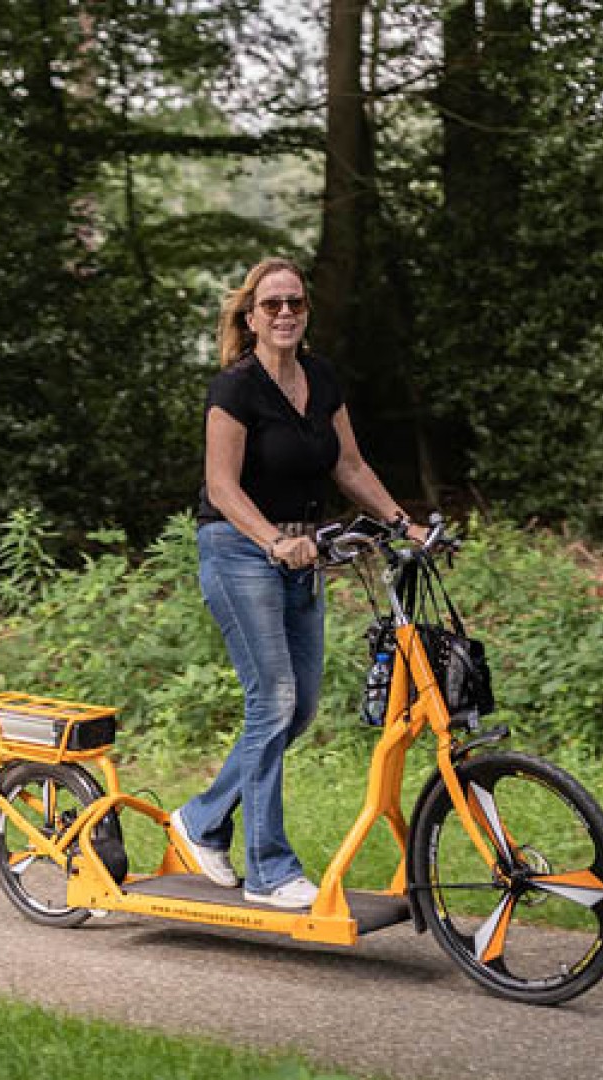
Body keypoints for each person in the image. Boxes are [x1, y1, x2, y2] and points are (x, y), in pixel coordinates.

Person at [175, 257, 428, 910]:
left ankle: (203, 819)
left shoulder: (320, 377)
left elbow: (348, 464)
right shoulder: (234, 388)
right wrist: (272, 541)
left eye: (295, 303)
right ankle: (268, 869)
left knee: (301, 706)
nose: (284, 313)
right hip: (239, 550)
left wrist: (404, 524)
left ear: (306, 312)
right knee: (274, 698)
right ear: (250, 317)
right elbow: (222, 488)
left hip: (302, 555)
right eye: (271, 305)